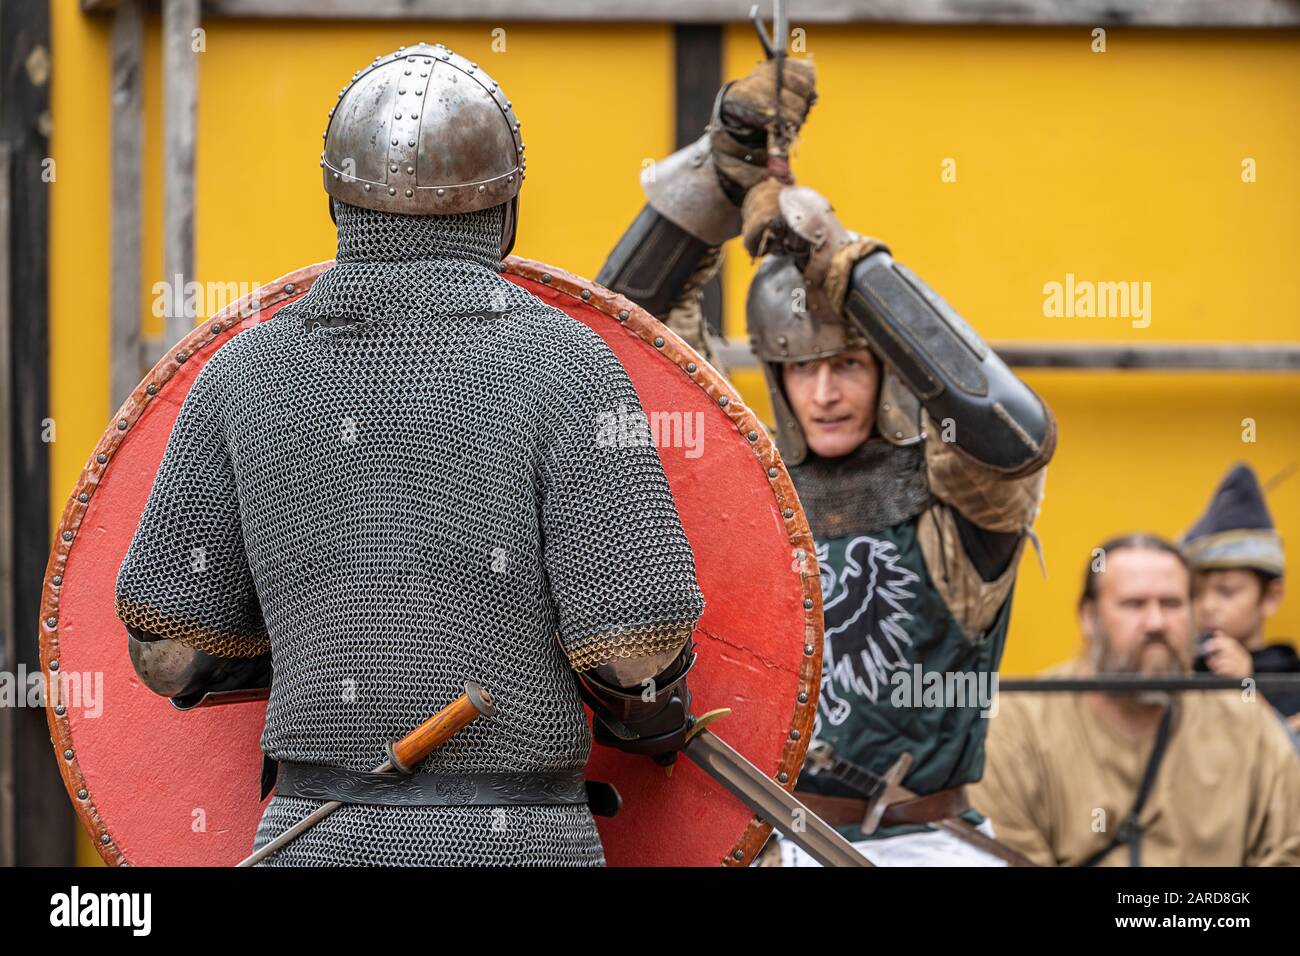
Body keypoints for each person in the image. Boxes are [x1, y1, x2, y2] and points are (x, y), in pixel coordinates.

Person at [115, 43, 705, 866]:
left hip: (312, 838)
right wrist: (654, 723)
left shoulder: (242, 371)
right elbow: (634, 647)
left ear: (338, 205)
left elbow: (171, 652)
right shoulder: (566, 366)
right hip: (515, 845)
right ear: (504, 209)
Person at [599, 88, 1056, 863]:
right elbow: (625, 339)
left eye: (846, 364)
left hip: (922, 845)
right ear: (776, 376)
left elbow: (1010, 431)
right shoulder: (751, 489)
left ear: (886, 370)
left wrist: (840, 257)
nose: (824, 394)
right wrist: (722, 166)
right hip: (770, 840)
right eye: (801, 369)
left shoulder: (957, 502)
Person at [970, 534, 1300, 866]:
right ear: (1089, 616)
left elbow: (1291, 846)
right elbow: (1005, 856)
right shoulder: (1016, 728)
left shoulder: (1245, 724)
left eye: (1171, 604)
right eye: (1134, 604)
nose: (1156, 623)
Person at [1183, 463, 1300, 720]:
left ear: (1270, 597)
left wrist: (1245, 687)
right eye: (1195, 593)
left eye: (1226, 591)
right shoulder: (1182, 670)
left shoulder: (1290, 678)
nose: (1207, 606)